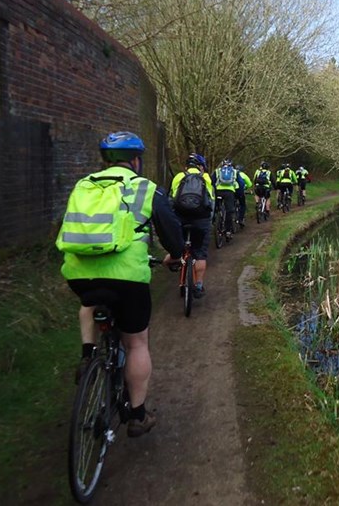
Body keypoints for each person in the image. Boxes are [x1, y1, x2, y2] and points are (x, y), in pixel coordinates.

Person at [58, 131, 184, 437]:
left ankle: (87, 357)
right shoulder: (145, 188)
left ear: (103, 161)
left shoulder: (83, 185)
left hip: (79, 275)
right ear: (136, 161)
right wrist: (175, 256)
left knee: (89, 303)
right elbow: (170, 230)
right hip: (127, 280)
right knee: (136, 341)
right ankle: (138, 415)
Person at [168, 153, 214, 297]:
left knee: (180, 246)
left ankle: (180, 269)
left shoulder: (178, 177)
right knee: (200, 253)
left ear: (186, 166)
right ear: (201, 167)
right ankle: (199, 285)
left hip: (180, 218)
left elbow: (171, 199)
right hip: (200, 219)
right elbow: (211, 202)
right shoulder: (206, 178)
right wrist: (209, 220)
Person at [211, 158, 238, 240]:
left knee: (216, 207)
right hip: (229, 192)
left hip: (219, 191)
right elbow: (239, 183)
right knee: (229, 211)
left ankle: (215, 222)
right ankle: (228, 231)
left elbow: (212, 182)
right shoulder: (234, 171)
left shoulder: (217, 171)